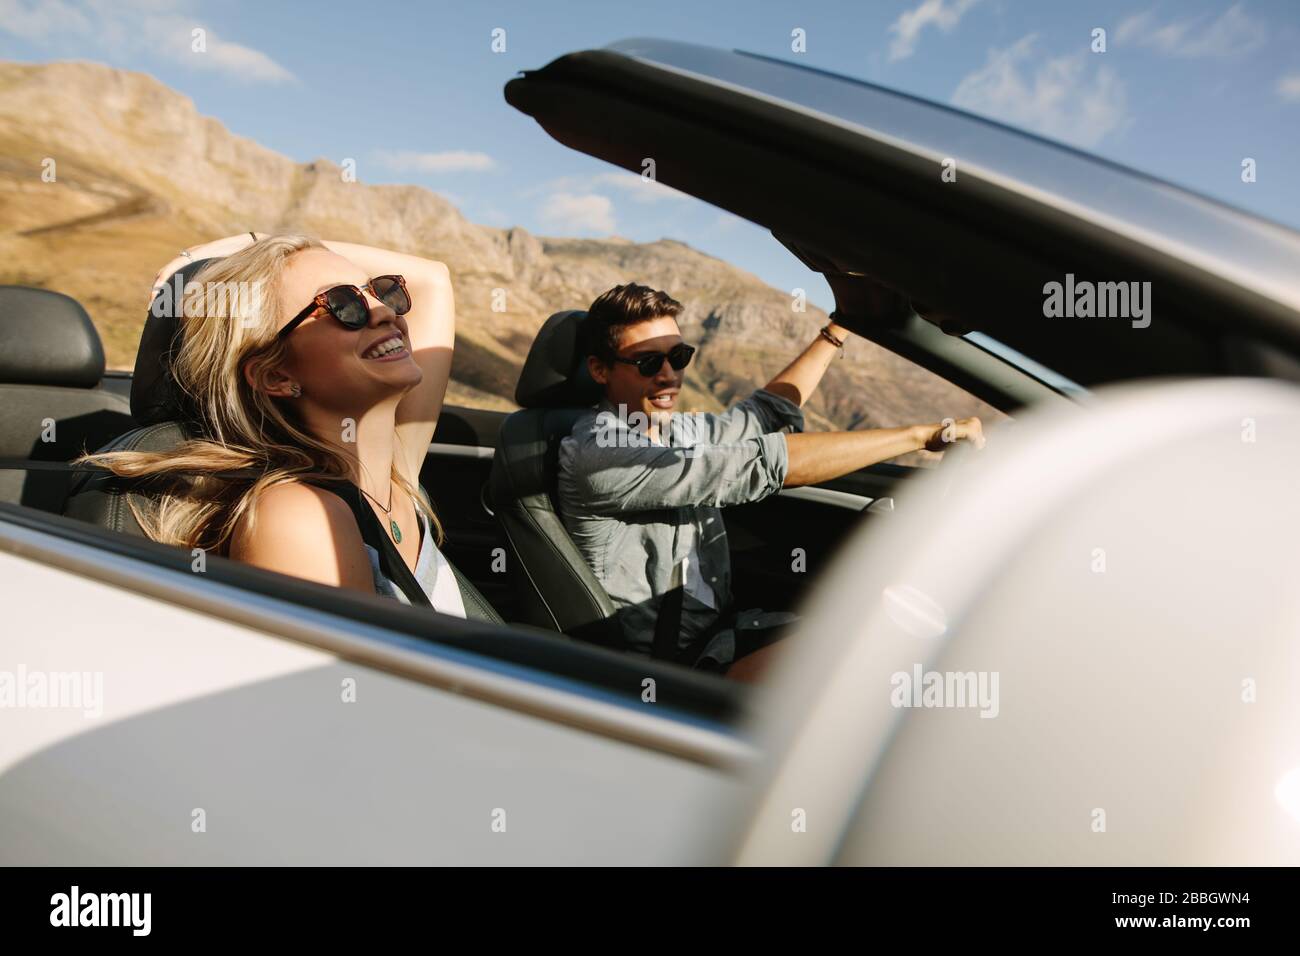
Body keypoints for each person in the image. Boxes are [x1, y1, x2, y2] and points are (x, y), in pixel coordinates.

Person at [558, 283, 985, 678]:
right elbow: (760, 463)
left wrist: (840, 327)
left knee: (897, 631)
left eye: (679, 356)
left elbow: (762, 415)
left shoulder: (670, 430)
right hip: (671, 670)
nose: (669, 375)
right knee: (876, 651)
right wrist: (921, 436)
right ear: (599, 370)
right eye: (649, 362)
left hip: (724, 632)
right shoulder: (599, 453)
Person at [78, 232, 465, 614]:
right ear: (275, 376)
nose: (384, 312)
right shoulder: (298, 515)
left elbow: (432, 279)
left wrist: (247, 241)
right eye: (342, 304)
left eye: (378, 290)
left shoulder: (399, 477)